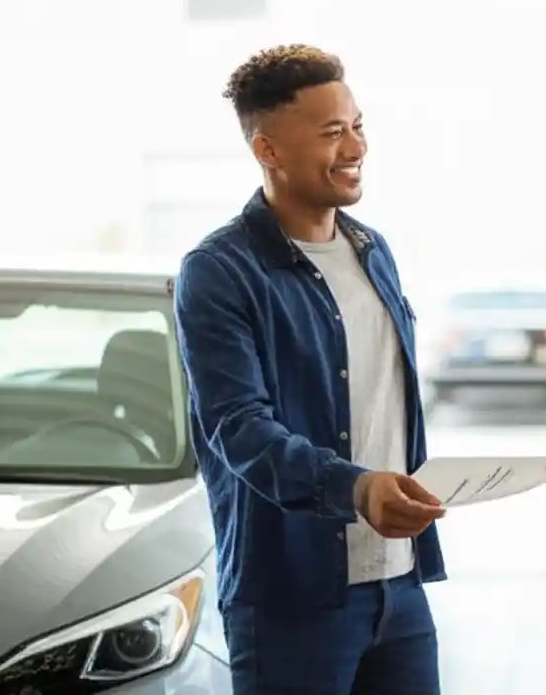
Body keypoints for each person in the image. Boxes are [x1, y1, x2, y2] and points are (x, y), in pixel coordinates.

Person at [173, 44, 450, 694]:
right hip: (291, 600)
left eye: (357, 126)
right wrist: (357, 490)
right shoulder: (219, 271)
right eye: (332, 133)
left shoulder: (372, 250)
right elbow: (240, 430)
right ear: (268, 151)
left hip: (399, 588)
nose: (355, 147)